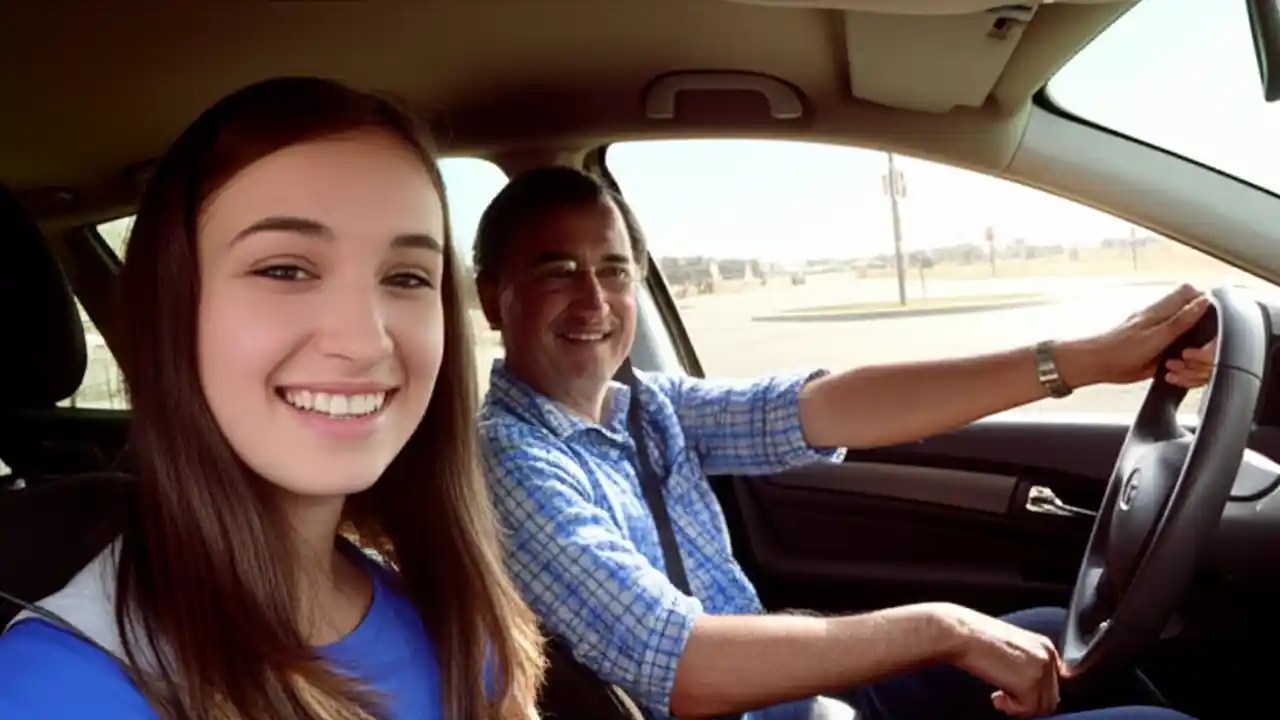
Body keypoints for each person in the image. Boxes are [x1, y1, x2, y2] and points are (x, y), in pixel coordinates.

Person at [473, 165, 1212, 720]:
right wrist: (941, 628)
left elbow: (825, 407)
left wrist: (1083, 361)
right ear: (490, 299)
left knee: (1061, 641)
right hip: (729, 703)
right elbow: (679, 663)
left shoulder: (649, 409)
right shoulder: (509, 459)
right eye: (557, 272)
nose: (595, 301)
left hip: (786, 700)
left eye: (613, 271)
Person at [0, 77, 545, 720]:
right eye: (284, 269)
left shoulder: (454, 610)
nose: (366, 341)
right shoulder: (65, 685)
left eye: (406, 277)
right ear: (173, 312)